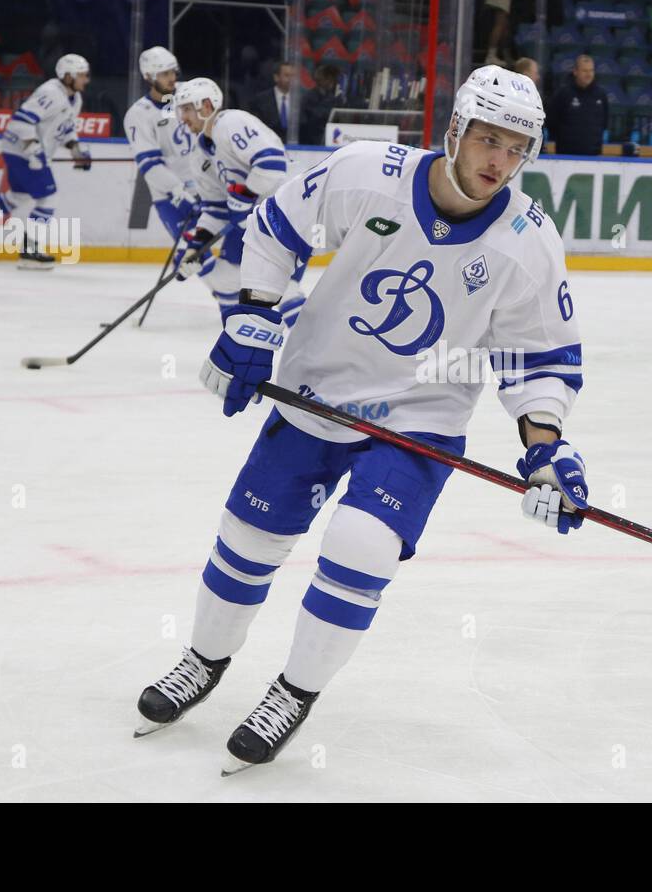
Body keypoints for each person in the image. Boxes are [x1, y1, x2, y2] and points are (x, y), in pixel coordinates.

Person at [134, 66, 586, 772]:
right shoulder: (367, 173)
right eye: (489, 139)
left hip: (420, 421)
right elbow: (277, 224)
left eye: (517, 147)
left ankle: (293, 692)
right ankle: (204, 659)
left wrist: (547, 449)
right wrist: (253, 317)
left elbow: (541, 361)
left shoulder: (528, 241)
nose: (500, 161)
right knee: (248, 537)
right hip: (317, 393)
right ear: (456, 131)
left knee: (361, 545)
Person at [169, 76, 302, 323]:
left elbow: (272, 164)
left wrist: (246, 195)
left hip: (287, 210)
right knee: (225, 281)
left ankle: (314, 351)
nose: (182, 118)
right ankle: (236, 348)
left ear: (206, 106)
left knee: (277, 288)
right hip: (259, 219)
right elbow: (215, 208)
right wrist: (197, 247)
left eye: (187, 109)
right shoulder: (199, 157)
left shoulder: (231, 122)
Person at [0, 55, 92, 269]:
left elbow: (66, 129)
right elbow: (21, 121)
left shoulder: (75, 99)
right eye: (82, 75)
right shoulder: (51, 93)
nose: (86, 80)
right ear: (68, 76)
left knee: (18, 197)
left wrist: (76, 150)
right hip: (22, 151)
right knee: (48, 199)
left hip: (23, 151)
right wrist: (34, 150)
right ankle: (30, 251)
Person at [122, 46, 199, 244]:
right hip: (169, 195)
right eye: (165, 74)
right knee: (194, 255)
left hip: (205, 186)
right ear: (148, 76)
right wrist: (178, 192)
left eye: (173, 71)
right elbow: (150, 165)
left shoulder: (191, 92)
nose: (172, 77)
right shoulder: (138, 114)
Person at [545, 55, 608, 156]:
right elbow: (552, 122)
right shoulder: (563, 94)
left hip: (594, 156)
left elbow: (604, 123)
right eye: (585, 71)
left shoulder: (601, 95)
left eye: (591, 70)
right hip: (566, 154)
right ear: (575, 71)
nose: (589, 74)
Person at [250, 61, 293, 142]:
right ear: (276, 77)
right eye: (287, 75)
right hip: (268, 144)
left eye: (292, 76)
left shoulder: (300, 100)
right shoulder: (261, 100)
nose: (290, 79)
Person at [299, 64, 341, 146]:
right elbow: (318, 115)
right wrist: (332, 99)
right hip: (312, 140)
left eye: (332, 79)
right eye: (328, 78)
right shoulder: (309, 97)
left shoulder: (336, 96)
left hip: (331, 136)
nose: (331, 82)